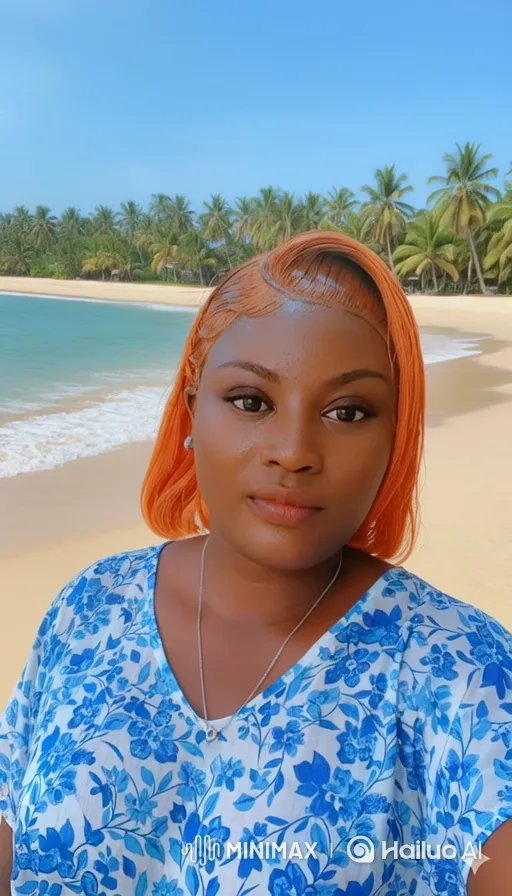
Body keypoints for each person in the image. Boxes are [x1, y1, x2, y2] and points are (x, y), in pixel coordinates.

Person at [0, 232, 511, 896]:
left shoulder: (459, 670)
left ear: (396, 437)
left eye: (347, 411)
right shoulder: (89, 607)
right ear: (191, 411)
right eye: (251, 402)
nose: (294, 451)